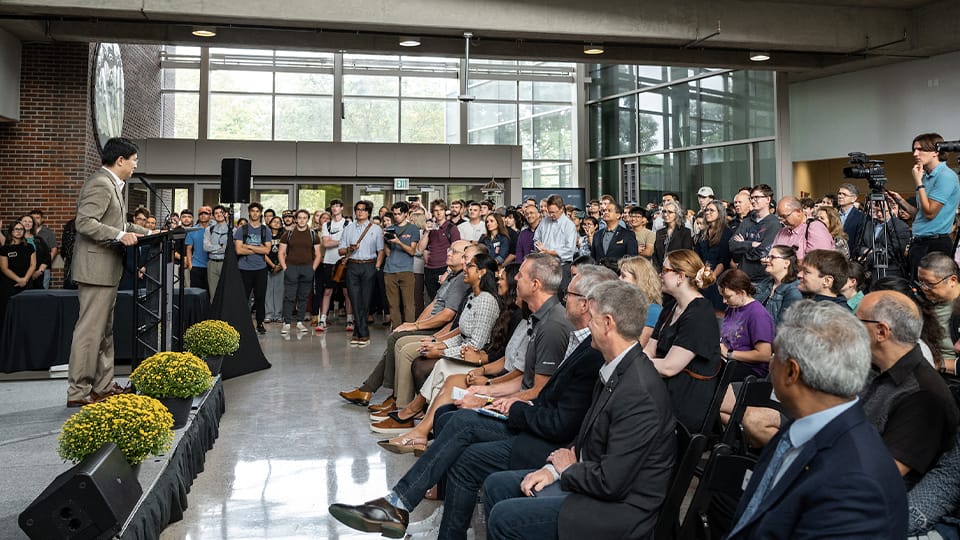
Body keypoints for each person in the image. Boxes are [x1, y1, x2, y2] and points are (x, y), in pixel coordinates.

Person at [328, 267, 608, 539]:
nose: (564, 297)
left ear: (586, 304)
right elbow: (536, 386)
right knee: (452, 418)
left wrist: (509, 404)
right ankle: (409, 507)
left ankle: (399, 502)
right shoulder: (574, 338)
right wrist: (495, 394)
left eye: (569, 294)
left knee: (461, 428)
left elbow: (552, 410)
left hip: (542, 439)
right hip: (535, 421)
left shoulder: (567, 335)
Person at [482, 279, 677, 540]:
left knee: (505, 518)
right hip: (593, 482)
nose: (587, 324)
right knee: (497, 485)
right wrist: (553, 470)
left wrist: (566, 470)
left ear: (608, 323)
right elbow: (588, 438)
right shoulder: (618, 367)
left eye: (592, 318)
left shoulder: (639, 393)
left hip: (617, 512)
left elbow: (611, 483)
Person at [725, 300, 908, 539]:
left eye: (775, 356)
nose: (770, 363)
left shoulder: (855, 485)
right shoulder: (803, 426)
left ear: (791, 372)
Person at [370, 252, 502, 434]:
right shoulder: (474, 296)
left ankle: (413, 412)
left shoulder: (486, 300)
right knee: (420, 358)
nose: (465, 268)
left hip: (473, 357)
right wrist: (440, 345)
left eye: (470, 265)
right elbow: (462, 333)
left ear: (482, 272)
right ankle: (414, 411)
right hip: (462, 350)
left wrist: (441, 352)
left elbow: (475, 345)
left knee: (427, 365)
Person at [339, 240, 472, 409]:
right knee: (398, 334)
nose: (449, 253)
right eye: (449, 250)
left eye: (454, 251)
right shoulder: (452, 275)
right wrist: (415, 324)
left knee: (396, 338)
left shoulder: (460, 280)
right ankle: (371, 390)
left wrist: (416, 327)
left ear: (465, 259)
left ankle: (388, 394)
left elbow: (447, 315)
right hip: (431, 325)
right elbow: (433, 305)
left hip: (439, 329)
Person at [66, 137, 149, 408]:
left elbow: (121, 224)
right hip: (95, 270)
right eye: (134, 160)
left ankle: (103, 386)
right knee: (90, 332)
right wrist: (119, 235)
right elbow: (84, 222)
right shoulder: (100, 183)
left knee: (104, 332)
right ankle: (79, 391)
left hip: (106, 270)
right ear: (120, 160)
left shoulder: (113, 185)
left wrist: (150, 232)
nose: (136, 165)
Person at [856, 291, 959, 489]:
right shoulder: (876, 368)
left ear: (881, 332)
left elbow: (881, 475)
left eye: (857, 322)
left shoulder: (923, 396)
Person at [644, 249, 722, 432]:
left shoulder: (700, 314)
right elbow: (650, 349)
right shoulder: (672, 306)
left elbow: (669, 367)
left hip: (684, 400)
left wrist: (632, 362)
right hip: (663, 388)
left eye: (665, 270)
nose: (660, 274)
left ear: (680, 276)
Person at [891, 133, 960, 279]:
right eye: (914, 149)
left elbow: (930, 213)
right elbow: (920, 215)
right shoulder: (925, 176)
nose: (915, 154)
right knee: (915, 286)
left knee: (931, 287)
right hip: (919, 242)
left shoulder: (946, 176)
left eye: (920, 149)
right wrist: (900, 201)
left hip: (935, 244)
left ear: (936, 152)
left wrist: (918, 182)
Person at [339, 199, 384, 347]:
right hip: (352, 265)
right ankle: (362, 332)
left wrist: (377, 266)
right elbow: (341, 250)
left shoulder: (376, 229)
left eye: (363, 209)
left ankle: (359, 332)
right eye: (358, 209)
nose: (360, 212)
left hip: (369, 265)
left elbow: (381, 251)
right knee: (354, 299)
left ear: (368, 212)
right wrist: (349, 249)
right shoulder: (348, 229)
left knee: (365, 300)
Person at [718, 269, 776, 380]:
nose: (724, 301)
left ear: (742, 293)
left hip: (749, 369)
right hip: (730, 361)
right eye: (723, 296)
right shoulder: (732, 308)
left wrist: (729, 353)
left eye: (728, 297)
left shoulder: (758, 314)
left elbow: (764, 355)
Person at [730, 184, 781, 299]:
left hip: (761, 280)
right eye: (751, 198)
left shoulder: (774, 223)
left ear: (768, 199)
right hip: (743, 277)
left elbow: (763, 252)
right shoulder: (747, 221)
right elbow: (732, 245)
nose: (753, 201)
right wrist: (752, 244)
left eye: (757, 197)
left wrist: (743, 246)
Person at [278, 209, 321, 334]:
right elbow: (281, 252)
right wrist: (285, 268)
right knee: (289, 296)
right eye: (300, 218)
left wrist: (312, 268)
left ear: (307, 219)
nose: (302, 220)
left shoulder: (313, 235)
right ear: (296, 219)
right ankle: (286, 323)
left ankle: (300, 322)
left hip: (307, 268)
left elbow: (318, 254)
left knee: (304, 296)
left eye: (304, 218)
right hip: (291, 267)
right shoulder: (288, 234)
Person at [234, 202, 272, 334]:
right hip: (244, 268)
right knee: (243, 297)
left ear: (260, 213)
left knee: (260, 297)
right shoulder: (242, 229)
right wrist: (258, 249)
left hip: (260, 268)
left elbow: (267, 250)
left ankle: (260, 323)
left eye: (257, 211)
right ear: (249, 212)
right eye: (252, 211)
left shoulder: (265, 230)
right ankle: (243, 323)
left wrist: (248, 246)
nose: (255, 213)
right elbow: (238, 250)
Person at [917, 253, 960, 366]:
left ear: (952, 280)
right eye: (921, 282)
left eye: (929, 284)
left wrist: (939, 365)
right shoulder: (924, 301)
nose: (924, 288)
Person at [318, 199, 354, 332]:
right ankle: (322, 319)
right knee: (328, 291)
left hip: (345, 261)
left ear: (342, 208)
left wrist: (335, 241)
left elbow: (351, 242)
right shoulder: (326, 225)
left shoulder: (348, 224)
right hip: (329, 261)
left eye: (337, 206)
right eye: (333, 206)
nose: (335, 208)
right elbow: (326, 243)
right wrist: (342, 241)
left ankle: (349, 319)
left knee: (347, 291)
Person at [383, 201, 420, 329]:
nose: (396, 216)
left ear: (405, 214)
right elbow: (387, 253)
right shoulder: (390, 228)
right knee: (393, 304)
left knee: (408, 304)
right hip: (389, 269)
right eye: (394, 214)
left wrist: (398, 242)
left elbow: (412, 251)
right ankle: (396, 330)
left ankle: (408, 330)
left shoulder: (413, 228)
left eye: (399, 214)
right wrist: (384, 240)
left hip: (406, 270)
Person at [694, 199, 733, 312]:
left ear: (720, 213)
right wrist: (701, 275)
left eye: (711, 210)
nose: (707, 213)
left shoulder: (727, 233)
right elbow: (697, 255)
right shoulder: (702, 233)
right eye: (706, 210)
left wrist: (711, 277)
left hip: (718, 277)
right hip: (701, 275)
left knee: (717, 311)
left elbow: (724, 260)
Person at [617, 255, 662, 347]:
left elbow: (639, 347)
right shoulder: (624, 306)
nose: (619, 279)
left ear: (639, 280)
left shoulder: (652, 311)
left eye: (623, 276)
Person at [420, 199, 460, 301]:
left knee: (445, 300)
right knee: (432, 300)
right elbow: (421, 248)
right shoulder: (429, 228)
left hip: (444, 268)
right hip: (429, 269)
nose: (438, 213)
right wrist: (426, 232)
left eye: (441, 210)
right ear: (432, 213)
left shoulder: (452, 228)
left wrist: (448, 272)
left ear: (445, 211)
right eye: (436, 210)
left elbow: (457, 251)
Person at [772, 195, 834, 260]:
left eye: (784, 216)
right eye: (780, 217)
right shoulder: (782, 232)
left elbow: (820, 260)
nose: (782, 221)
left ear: (798, 212)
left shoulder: (815, 228)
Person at [0, 222, 36, 324]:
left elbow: (33, 265)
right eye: (16, 229)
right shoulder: (4, 249)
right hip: (9, 285)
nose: (19, 231)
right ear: (11, 231)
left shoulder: (29, 247)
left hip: (26, 284)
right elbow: (4, 268)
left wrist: (25, 280)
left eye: (21, 229)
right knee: (8, 313)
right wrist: (18, 280)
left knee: (26, 312)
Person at [533, 194, 578, 276]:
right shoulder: (544, 221)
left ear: (561, 209)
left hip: (562, 267)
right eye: (549, 212)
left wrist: (550, 252)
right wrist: (539, 248)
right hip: (544, 265)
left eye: (553, 212)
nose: (550, 215)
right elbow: (536, 239)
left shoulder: (569, 225)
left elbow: (569, 250)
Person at [759, 245, 803, 325]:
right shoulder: (766, 282)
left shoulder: (794, 291)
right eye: (768, 257)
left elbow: (784, 325)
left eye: (772, 257)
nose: (767, 260)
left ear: (786, 263)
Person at [652, 200, 693, 270]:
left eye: (670, 212)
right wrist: (658, 270)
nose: (666, 214)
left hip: (677, 270)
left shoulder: (685, 232)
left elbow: (686, 254)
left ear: (677, 214)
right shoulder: (659, 232)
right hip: (660, 271)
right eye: (664, 211)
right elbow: (655, 254)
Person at [203, 205, 230, 301]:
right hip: (212, 263)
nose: (219, 215)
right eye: (216, 213)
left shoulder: (232, 230)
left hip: (226, 262)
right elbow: (206, 247)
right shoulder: (209, 229)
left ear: (225, 214)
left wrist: (213, 247)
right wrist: (220, 247)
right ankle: (214, 311)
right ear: (213, 216)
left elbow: (228, 249)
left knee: (226, 292)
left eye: (221, 212)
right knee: (213, 293)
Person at [183, 206, 210, 292]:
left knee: (211, 293)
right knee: (196, 293)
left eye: (206, 213)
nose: (203, 215)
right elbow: (188, 249)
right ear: (198, 216)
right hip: (196, 266)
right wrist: (190, 265)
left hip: (211, 266)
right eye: (201, 213)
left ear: (210, 215)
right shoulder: (193, 230)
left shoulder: (214, 229)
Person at [19, 214, 50, 289]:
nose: (27, 223)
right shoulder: (16, 239)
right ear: (20, 223)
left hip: (37, 277)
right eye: (25, 221)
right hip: (20, 276)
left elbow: (47, 257)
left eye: (30, 222)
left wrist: (40, 271)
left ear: (32, 224)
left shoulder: (39, 239)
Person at [29, 209, 58, 289]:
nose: (35, 220)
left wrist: (45, 264)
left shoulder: (48, 232)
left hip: (44, 269)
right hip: (28, 268)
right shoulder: (26, 232)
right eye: (33, 218)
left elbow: (54, 249)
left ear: (42, 219)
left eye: (37, 218)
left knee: (43, 291)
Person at [264, 215, 284, 324]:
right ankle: (269, 314)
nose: (276, 223)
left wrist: (279, 265)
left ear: (281, 225)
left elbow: (286, 252)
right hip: (267, 266)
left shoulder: (284, 236)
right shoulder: (265, 236)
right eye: (274, 221)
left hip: (281, 266)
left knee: (279, 291)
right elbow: (263, 252)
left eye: (278, 222)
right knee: (268, 291)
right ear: (269, 223)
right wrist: (272, 265)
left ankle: (278, 314)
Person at [835, 182, 866, 250]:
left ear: (853, 199)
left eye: (844, 194)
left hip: (851, 253)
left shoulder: (861, 217)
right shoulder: (833, 214)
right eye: (839, 193)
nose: (840, 196)